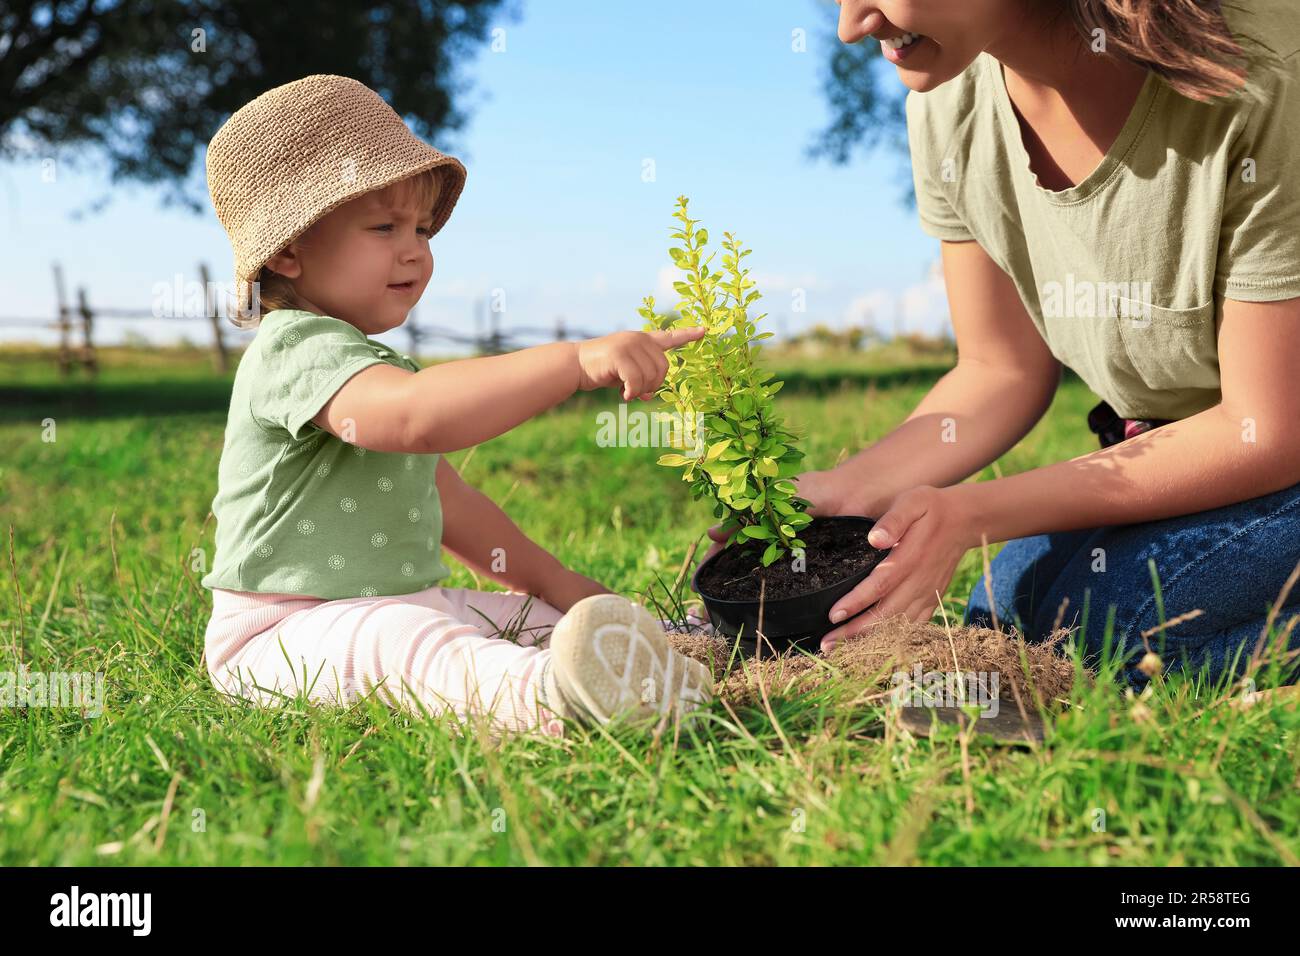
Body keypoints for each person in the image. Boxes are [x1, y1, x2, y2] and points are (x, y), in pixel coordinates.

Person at [711, 0, 1300, 691]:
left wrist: (974, 515)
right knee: (1003, 623)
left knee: (1114, 638)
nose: (850, 24)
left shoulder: (1262, 80)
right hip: (1179, 446)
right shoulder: (948, 102)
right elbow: (1000, 367)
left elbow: (1266, 430)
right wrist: (850, 491)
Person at [200, 74, 712, 739]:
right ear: (290, 249)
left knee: (519, 620)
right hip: (279, 636)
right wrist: (574, 362)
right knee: (406, 641)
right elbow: (417, 417)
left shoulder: (363, 364)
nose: (414, 248)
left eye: (421, 227)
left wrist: (557, 584)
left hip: (401, 601)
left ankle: (651, 659)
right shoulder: (293, 351)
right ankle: (557, 698)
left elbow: (453, 507)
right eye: (383, 226)